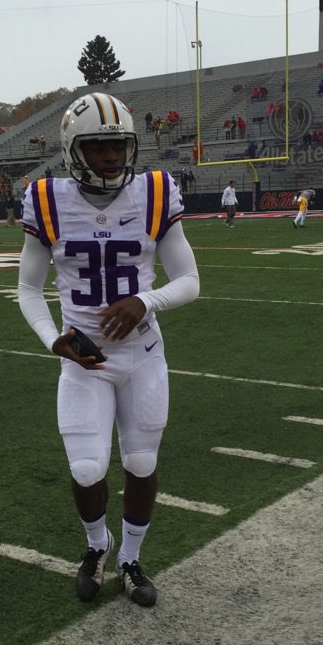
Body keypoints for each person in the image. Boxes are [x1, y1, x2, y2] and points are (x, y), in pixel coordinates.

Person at [17, 92, 200, 608]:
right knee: (87, 468)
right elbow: (28, 288)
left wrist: (145, 300)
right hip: (86, 357)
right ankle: (97, 547)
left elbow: (189, 280)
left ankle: (131, 558)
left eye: (118, 146)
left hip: (143, 353)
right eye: (98, 147)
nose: (111, 157)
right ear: (74, 150)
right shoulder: (47, 199)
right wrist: (52, 338)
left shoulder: (156, 192)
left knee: (141, 462)